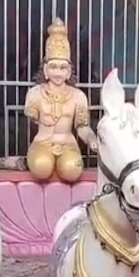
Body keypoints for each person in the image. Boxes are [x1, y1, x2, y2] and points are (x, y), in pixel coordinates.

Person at [24, 18, 97, 182]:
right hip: (42, 144)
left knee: (73, 168)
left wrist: (92, 140)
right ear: (45, 70)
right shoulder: (35, 94)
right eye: (53, 67)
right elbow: (32, 120)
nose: (58, 73)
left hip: (68, 145)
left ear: (70, 72)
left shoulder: (78, 96)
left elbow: (83, 128)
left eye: (63, 68)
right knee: (41, 166)